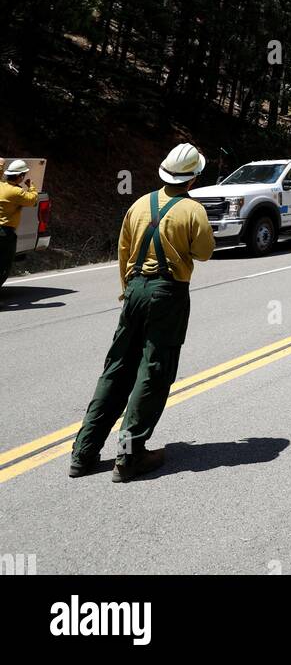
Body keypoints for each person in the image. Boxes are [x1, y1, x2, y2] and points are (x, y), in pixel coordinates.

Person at [70, 142, 214, 481]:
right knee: (154, 369)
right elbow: (205, 252)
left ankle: (84, 453)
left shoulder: (138, 205)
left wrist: (128, 291)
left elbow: (123, 253)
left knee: (117, 368)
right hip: (168, 293)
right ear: (192, 179)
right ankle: (130, 455)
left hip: (134, 289)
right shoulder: (193, 210)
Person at [0, 158, 38, 290]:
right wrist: (32, 186)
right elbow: (32, 200)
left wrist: (1, 164)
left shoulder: (1, 185)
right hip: (4, 233)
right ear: (20, 176)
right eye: (24, 175)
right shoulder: (16, 192)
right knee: (3, 265)